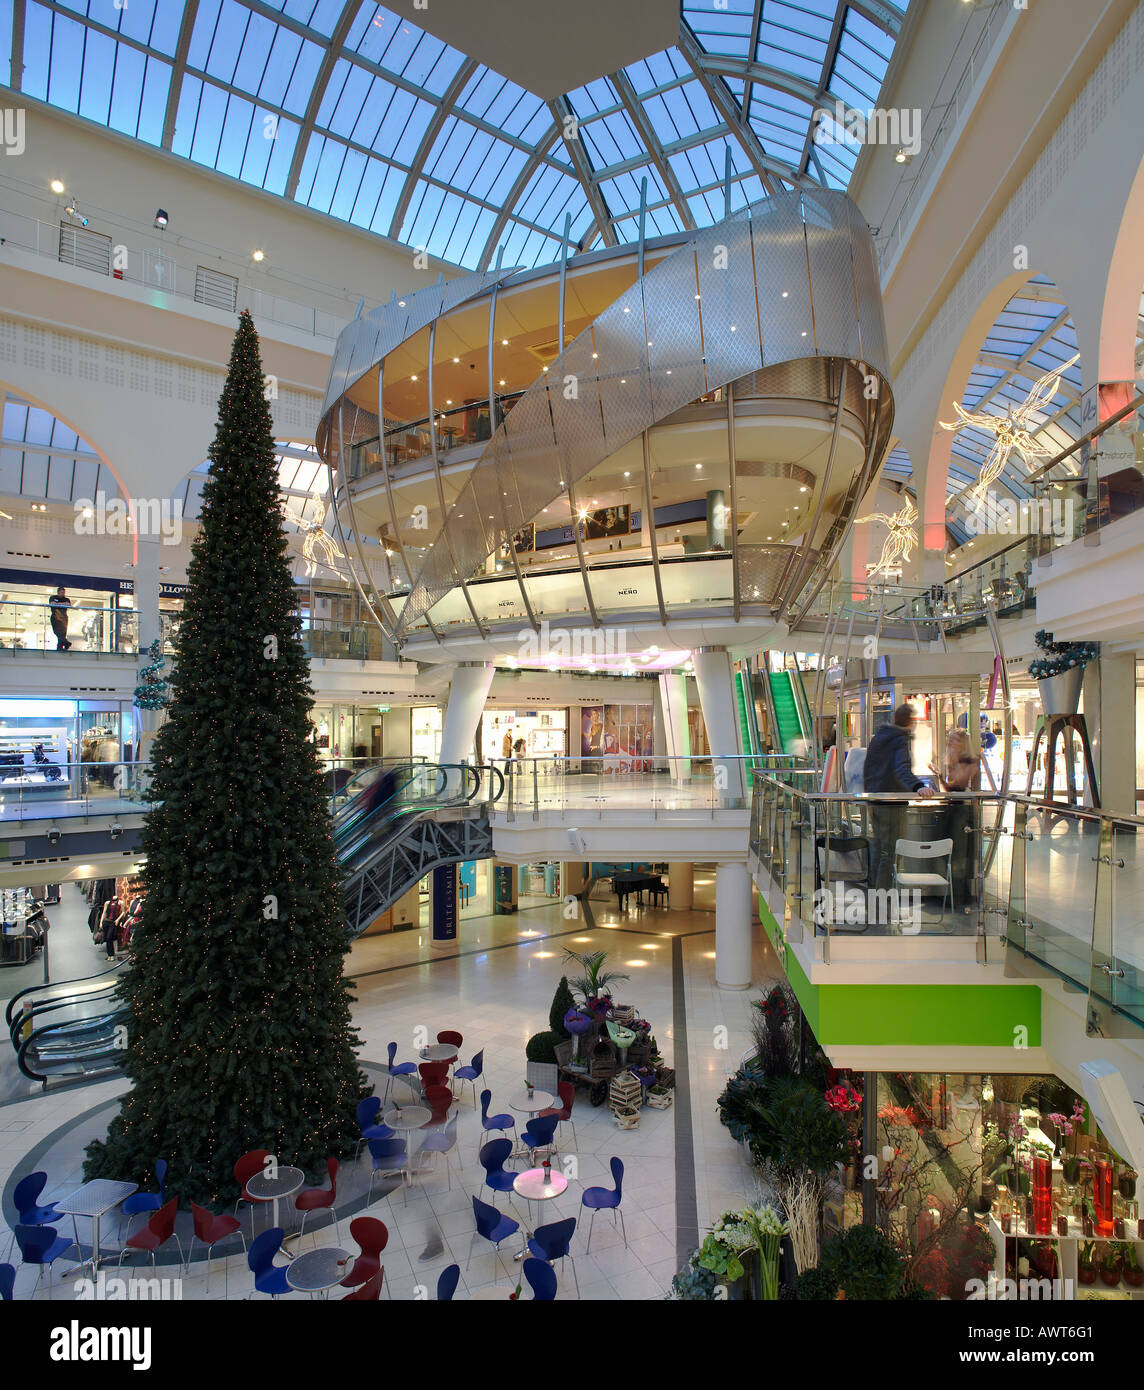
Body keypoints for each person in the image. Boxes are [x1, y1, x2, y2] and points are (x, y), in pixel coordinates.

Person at [863, 703, 934, 893]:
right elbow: (901, 769)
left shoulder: (880, 737)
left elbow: (870, 769)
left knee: (879, 847)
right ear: (911, 722)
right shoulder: (899, 740)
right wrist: (918, 786)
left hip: (875, 801)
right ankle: (884, 892)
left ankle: (874, 890)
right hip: (892, 804)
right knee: (891, 851)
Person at [931, 728, 981, 911]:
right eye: (949, 740)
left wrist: (941, 778)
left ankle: (959, 897)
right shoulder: (954, 761)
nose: (950, 743)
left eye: (954, 740)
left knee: (960, 855)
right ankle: (954, 895)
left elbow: (959, 784)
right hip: (953, 809)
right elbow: (949, 788)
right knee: (952, 853)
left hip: (963, 812)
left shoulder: (969, 761)